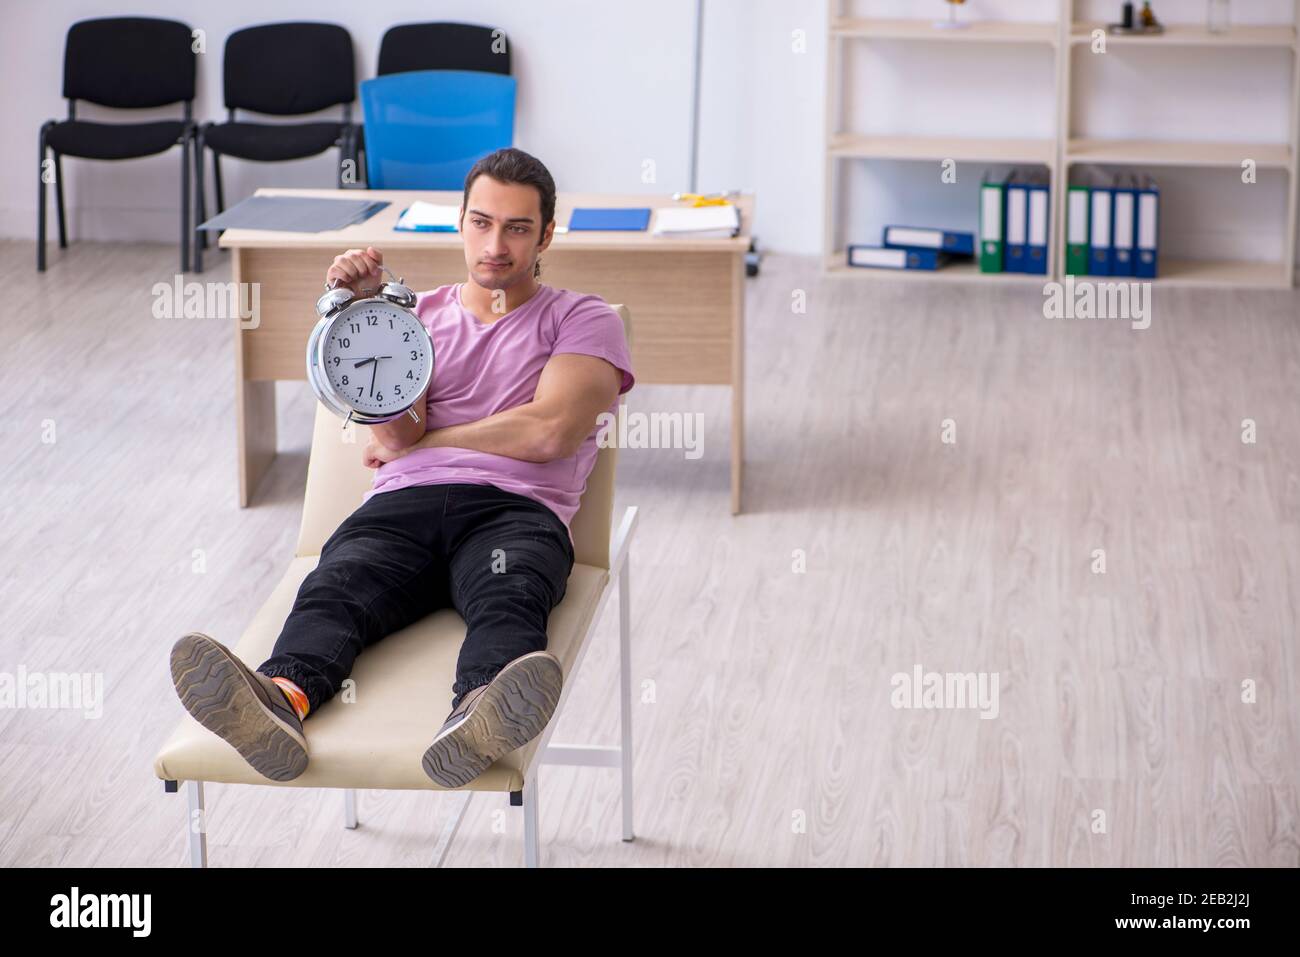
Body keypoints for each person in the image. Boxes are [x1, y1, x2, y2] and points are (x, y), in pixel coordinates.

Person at [169, 147, 635, 788]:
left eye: (517, 227)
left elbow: (550, 431)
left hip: (515, 511)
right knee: (338, 584)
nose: (494, 244)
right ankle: (280, 703)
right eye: (481, 222)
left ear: (546, 234)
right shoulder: (418, 316)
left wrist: (433, 437)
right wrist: (368, 317)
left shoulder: (583, 318)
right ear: (460, 221)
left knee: (511, 594)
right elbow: (397, 428)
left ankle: (477, 714)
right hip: (406, 503)